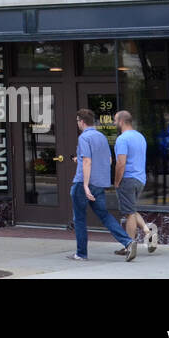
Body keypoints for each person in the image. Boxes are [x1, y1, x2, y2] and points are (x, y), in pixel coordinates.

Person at [66, 109, 136, 262]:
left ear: (82, 121)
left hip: (83, 183)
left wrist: (85, 185)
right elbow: (108, 160)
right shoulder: (102, 137)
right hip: (99, 184)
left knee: (79, 218)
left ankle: (81, 254)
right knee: (104, 215)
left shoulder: (84, 137)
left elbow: (87, 161)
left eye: (77, 121)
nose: (77, 123)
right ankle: (128, 241)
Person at [113, 110, 158, 255]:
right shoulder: (140, 137)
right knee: (131, 209)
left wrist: (116, 181)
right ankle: (148, 232)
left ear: (121, 121)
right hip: (140, 179)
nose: (114, 123)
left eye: (115, 120)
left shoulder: (122, 139)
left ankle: (129, 245)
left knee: (129, 214)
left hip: (127, 179)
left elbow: (121, 163)